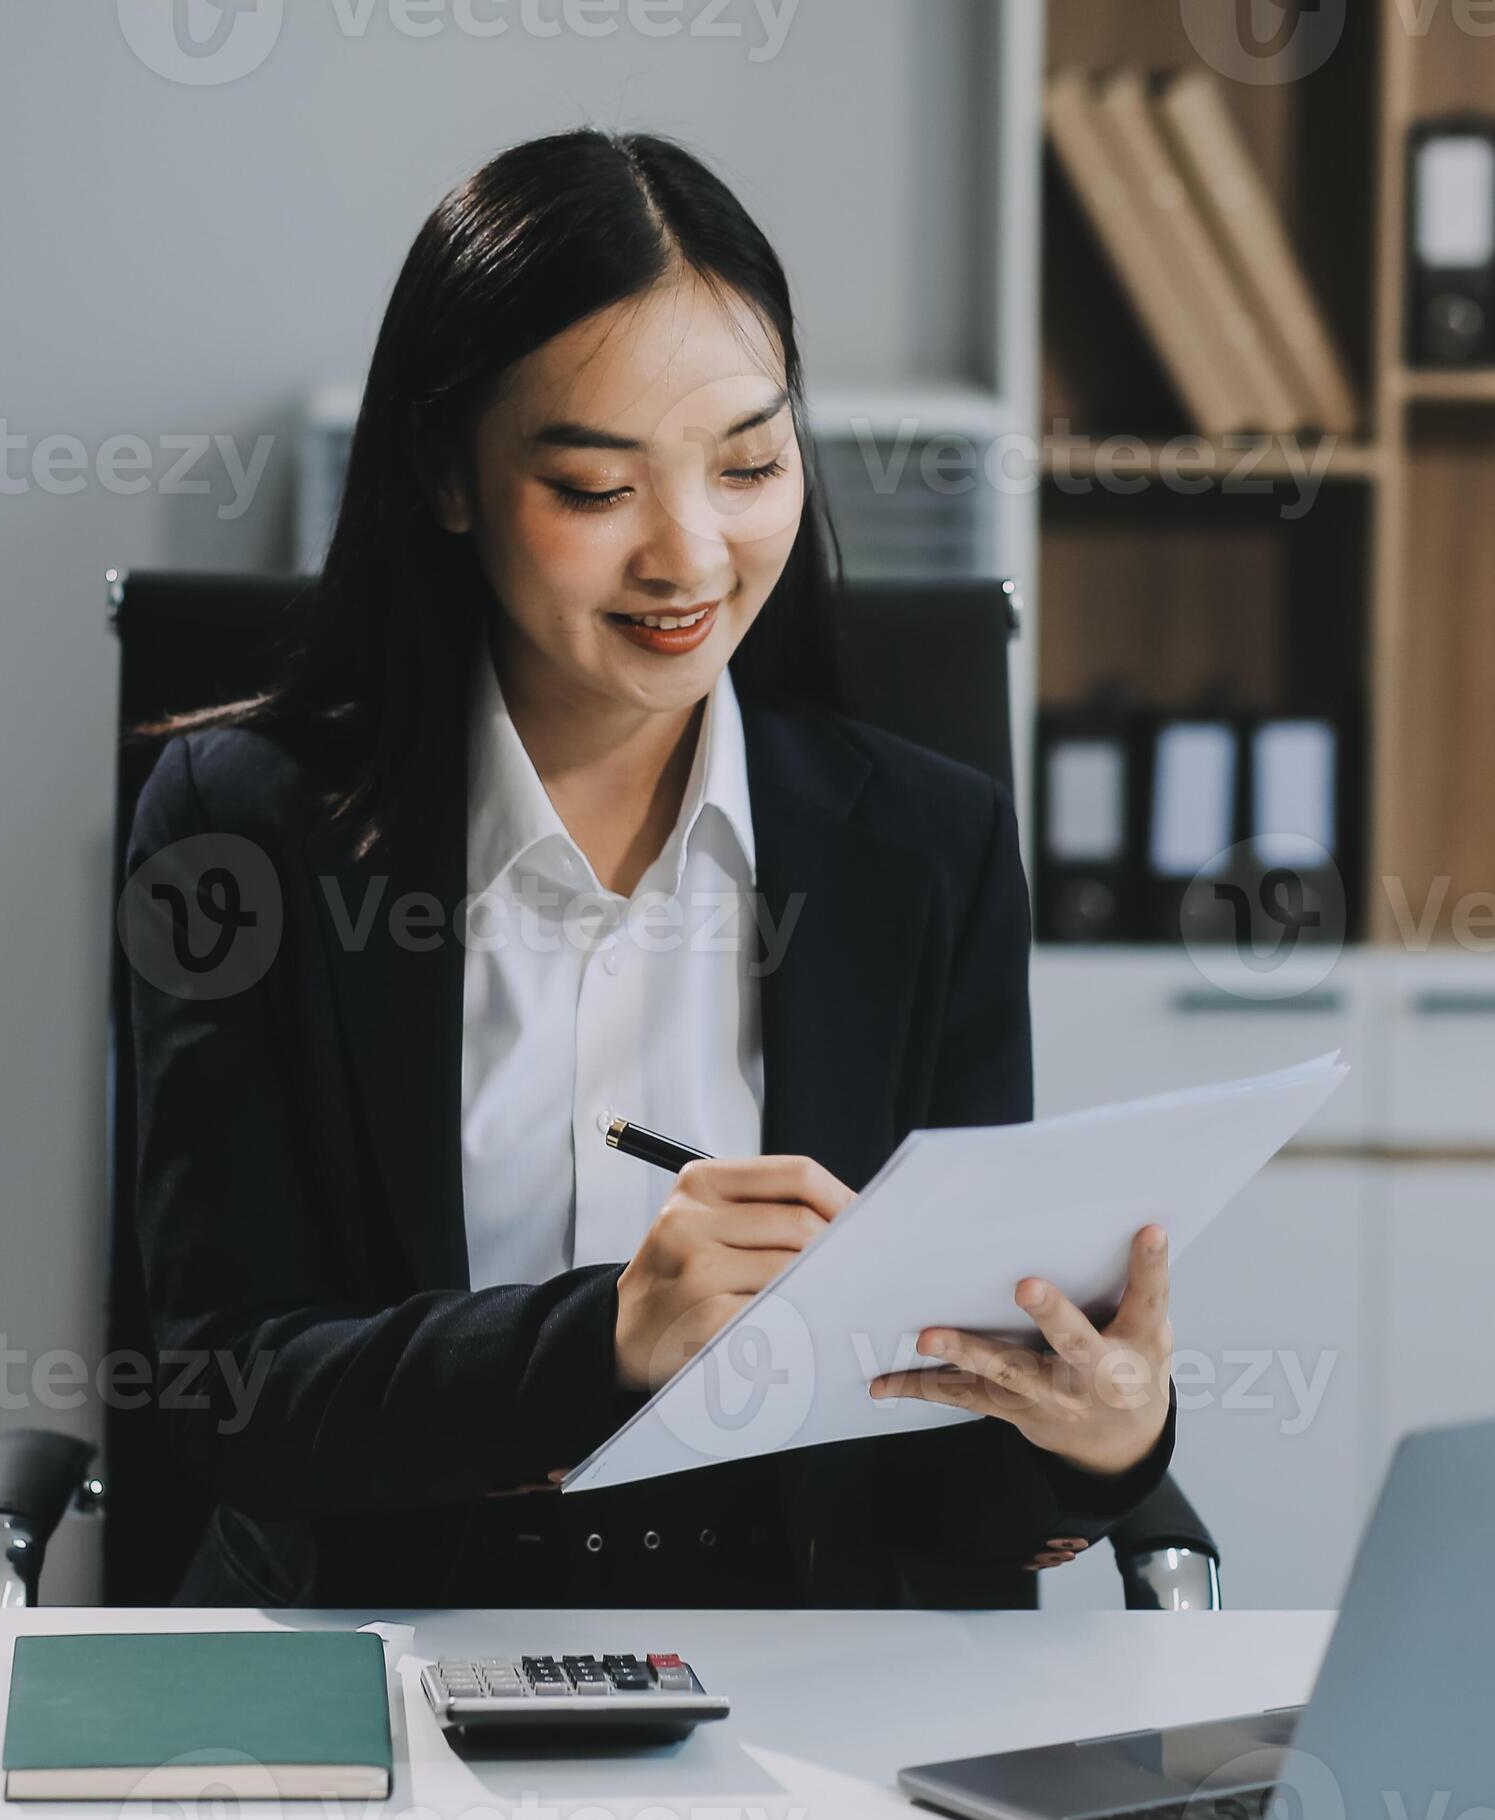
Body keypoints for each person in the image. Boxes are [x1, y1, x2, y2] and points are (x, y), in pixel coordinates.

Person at [127, 128, 1177, 1609]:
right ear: (449, 476)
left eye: (750, 463)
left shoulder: (926, 853)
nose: (691, 556)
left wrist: (1103, 1439)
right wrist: (606, 1341)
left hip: (803, 1683)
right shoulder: (242, 835)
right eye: (597, 488)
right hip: (383, 1649)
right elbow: (226, 1396)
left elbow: (946, 1455)